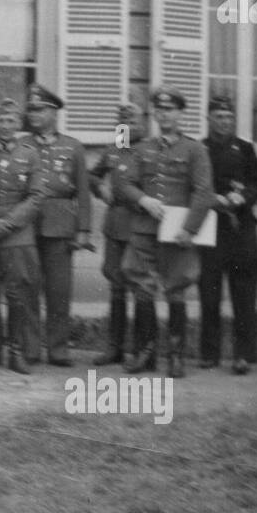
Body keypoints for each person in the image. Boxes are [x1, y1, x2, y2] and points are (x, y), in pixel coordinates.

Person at [115, 88, 214, 378]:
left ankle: (175, 356)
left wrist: (189, 229)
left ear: (181, 113)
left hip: (177, 233)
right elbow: (123, 183)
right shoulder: (142, 148)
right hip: (145, 229)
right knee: (142, 288)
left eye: (170, 110)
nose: (164, 115)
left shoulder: (195, 150)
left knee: (176, 288)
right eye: (159, 110)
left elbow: (203, 192)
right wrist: (143, 199)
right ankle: (145, 353)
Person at [0, 99, 44, 374]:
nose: (5, 126)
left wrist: (11, 222)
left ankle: (16, 350)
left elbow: (37, 195)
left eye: (11, 121)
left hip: (18, 235)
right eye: (1, 121)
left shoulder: (31, 154)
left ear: (19, 124)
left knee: (18, 292)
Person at [25, 86, 94, 367]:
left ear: (53, 113)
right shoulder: (23, 144)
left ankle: (58, 348)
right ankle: (29, 347)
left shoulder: (73, 146)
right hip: (27, 223)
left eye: (39, 110)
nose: (34, 115)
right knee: (28, 287)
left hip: (60, 223)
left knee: (58, 290)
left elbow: (83, 191)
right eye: (31, 110)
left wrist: (84, 230)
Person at [199, 95, 257, 374]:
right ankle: (209, 354)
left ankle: (243, 355)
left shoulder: (245, 149)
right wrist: (212, 198)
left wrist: (243, 199)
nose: (225, 122)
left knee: (244, 294)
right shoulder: (199, 148)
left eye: (229, 117)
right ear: (209, 119)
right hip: (210, 228)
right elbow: (194, 185)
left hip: (241, 228)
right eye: (219, 117)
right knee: (209, 293)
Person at [89, 102, 148, 367]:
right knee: (116, 286)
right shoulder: (112, 150)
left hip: (139, 227)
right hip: (114, 227)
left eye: (133, 122)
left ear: (143, 124)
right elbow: (92, 176)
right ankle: (115, 347)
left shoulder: (149, 151)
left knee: (140, 288)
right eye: (122, 122)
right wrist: (101, 190)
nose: (127, 127)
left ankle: (140, 349)